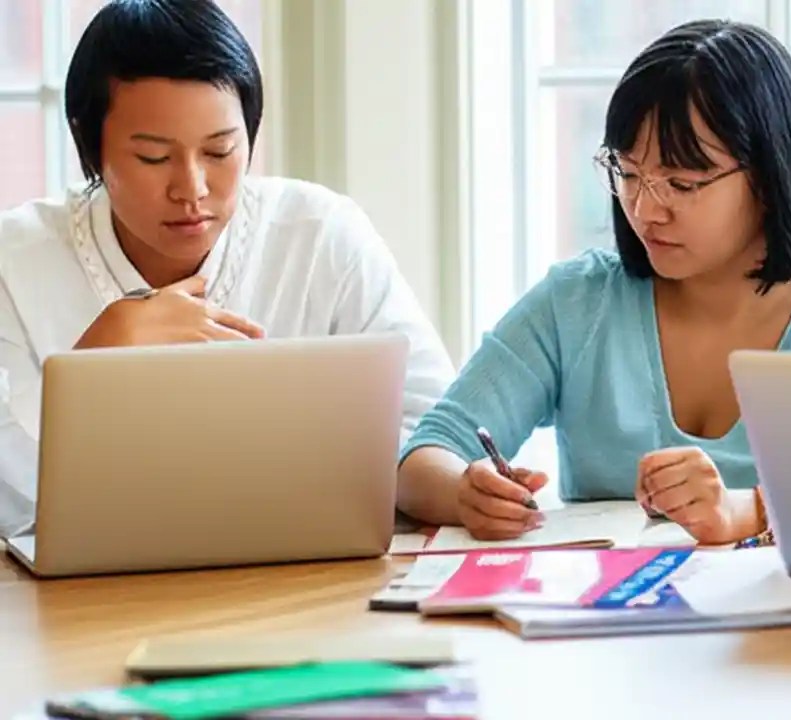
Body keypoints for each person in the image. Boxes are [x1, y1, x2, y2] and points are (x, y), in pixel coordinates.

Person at [397, 19, 791, 545]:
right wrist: (466, 492)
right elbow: (424, 456)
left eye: (682, 183)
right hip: (605, 624)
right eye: (628, 175)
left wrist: (746, 510)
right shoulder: (576, 303)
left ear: (771, 174)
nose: (646, 210)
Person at [0, 0, 455, 536]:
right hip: (83, 604)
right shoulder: (16, 263)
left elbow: (434, 424)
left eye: (219, 152)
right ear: (89, 144)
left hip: (304, 578)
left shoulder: (321, 235)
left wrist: (458, 486)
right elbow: (14, 506)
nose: (191, 188)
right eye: (153, 158)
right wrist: (93, 367)